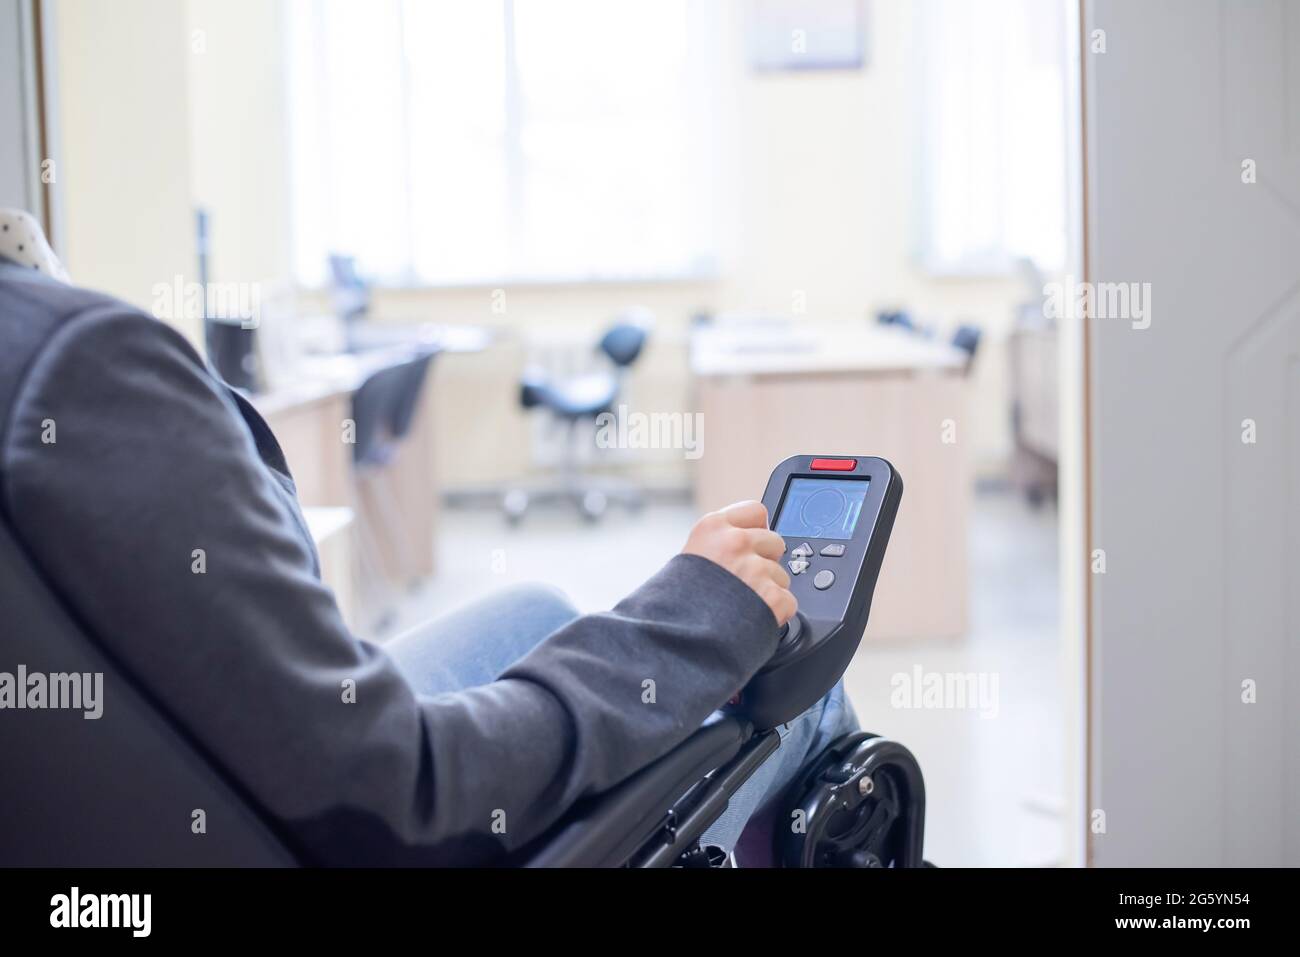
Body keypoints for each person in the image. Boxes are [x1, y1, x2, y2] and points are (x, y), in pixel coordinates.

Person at [0, 213, 856, 865]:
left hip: (216, 793)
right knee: (793, 679)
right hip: (361, 813)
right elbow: (397, 790)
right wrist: (694, 616)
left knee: (537, 608)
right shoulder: (79, 362)